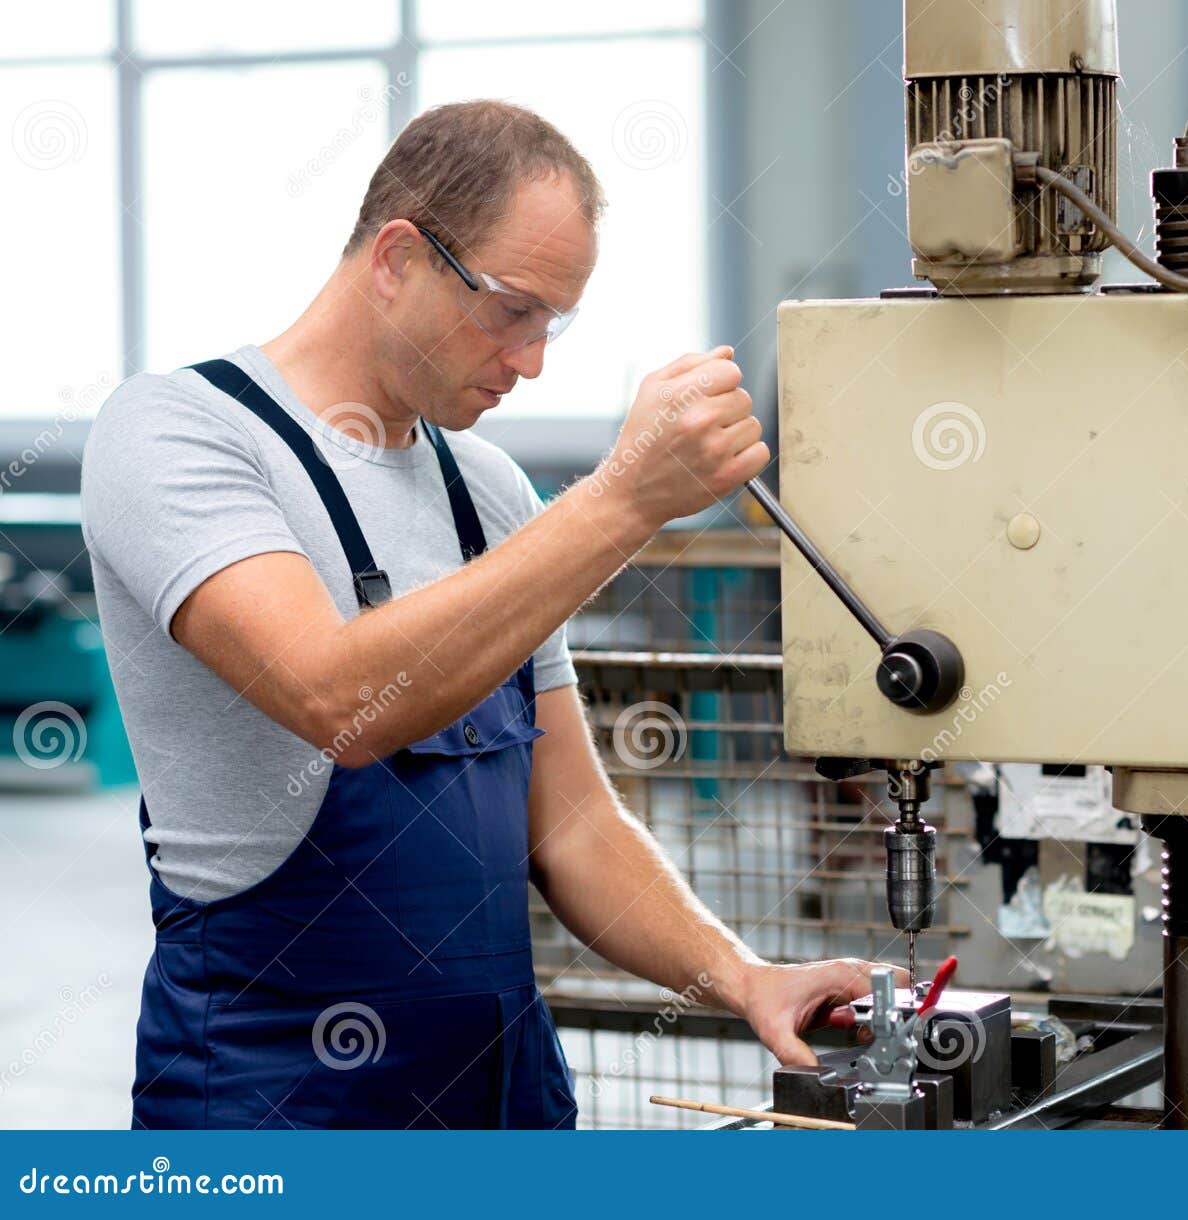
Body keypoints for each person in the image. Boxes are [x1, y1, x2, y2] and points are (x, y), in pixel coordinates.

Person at [81, 100, 893, 1130]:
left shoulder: (487, 488)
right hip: (275, 1096)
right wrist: (627, 496)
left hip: (498, 1094)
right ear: (397, 258)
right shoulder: (178, 434)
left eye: (553, 322)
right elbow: (339, 697)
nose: (532, 358)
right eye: (511, 309)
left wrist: (738, 973)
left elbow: (573, 822)